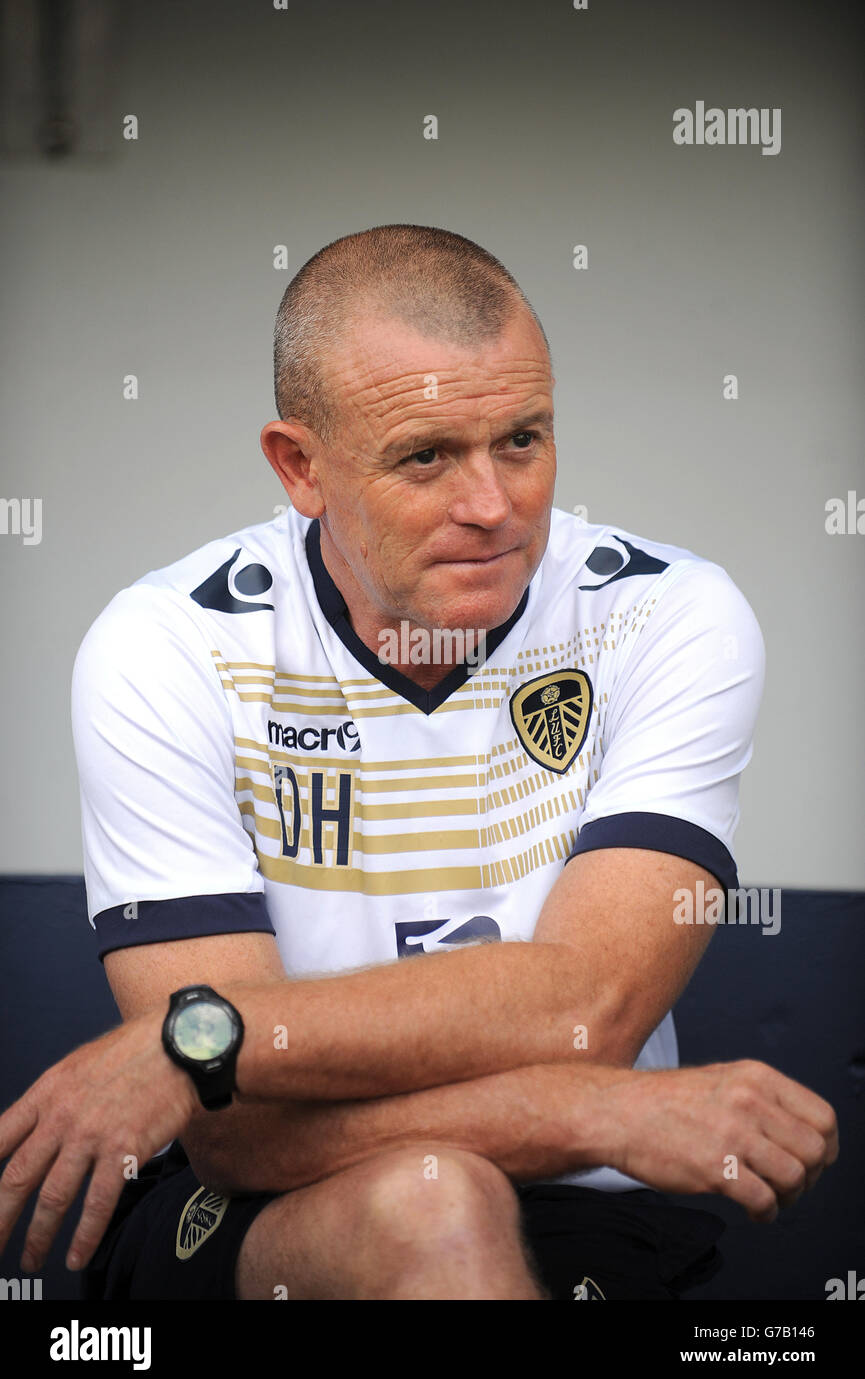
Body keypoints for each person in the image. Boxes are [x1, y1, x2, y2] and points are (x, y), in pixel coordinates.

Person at [0, 224, 838, 1301]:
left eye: (523, 440)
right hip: (263, 1213)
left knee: (445, 1193)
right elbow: (238, 1134)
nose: (492, 505)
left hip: (586, 1206)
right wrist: (599, 1108)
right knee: (433, 1199)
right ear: (300, 466)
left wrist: (207, 1039)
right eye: (426, 456)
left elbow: (590, 1007)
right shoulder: (169, 645)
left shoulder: (665, 614)